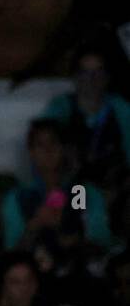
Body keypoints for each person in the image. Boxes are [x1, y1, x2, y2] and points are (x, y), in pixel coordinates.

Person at [1, 120, 112, 306]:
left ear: (64, 149)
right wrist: (34, 226)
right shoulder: (19, 198)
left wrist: (73, 241)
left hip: (80, 282)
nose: (48, 150)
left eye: (53, 143)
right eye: (40, 145)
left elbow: (101, 245)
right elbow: (12, 255)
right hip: (35, 287)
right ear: (31, 152)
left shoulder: (81, 192)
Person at [40, 44, 130, 209]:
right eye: (85, 73)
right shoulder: (60, 108)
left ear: (107, 76)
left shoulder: (120, 109)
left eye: (98, 72)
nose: (91, 80)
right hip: (72, 186)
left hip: (114, 187)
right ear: (75, 76)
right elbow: (45, 155)